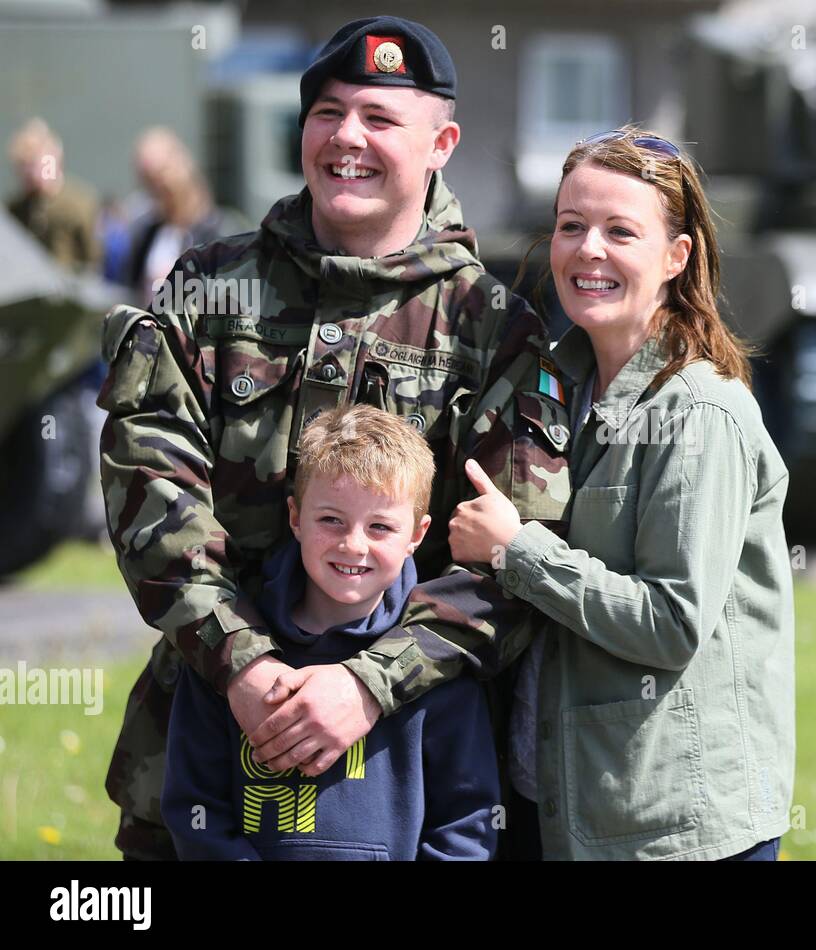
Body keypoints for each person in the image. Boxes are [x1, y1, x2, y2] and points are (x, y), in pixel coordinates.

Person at [99, 15, 569, 860]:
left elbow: (519, 557)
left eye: (381, 119)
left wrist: (369, 685)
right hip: (201, 752)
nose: (347, 138)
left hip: (404, 772)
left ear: (441, 144)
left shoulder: (492, 330)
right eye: (328, 113)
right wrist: (239, 663)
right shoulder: (209, 289)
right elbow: (150, 489)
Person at [449, 127, 796, 860]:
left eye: (620, 231)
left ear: (677, 257)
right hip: (562, 805)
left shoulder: (697, 412)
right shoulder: (555, 387)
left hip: (670, 828)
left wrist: (517, 549)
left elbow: (671, 621)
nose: (589, 250)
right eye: (571, 226)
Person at [162, 406, 499, 860]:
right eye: (331, 520)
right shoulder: (228, 655)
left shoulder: (440, 667)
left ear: (417, 535)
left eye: (380, 526)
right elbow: (195, 807)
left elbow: (467, 823)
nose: (353, 544)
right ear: (295, 518)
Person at [120, 127, 247, 305]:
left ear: (183, 166)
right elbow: (131, 290)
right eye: (148, 181)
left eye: (161, 174)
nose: (157, 187)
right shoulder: (147, 233)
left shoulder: (223, 232)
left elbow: (236, 301)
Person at [6, 118, 102, 271]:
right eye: (24, 167)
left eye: (35, 164)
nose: (31, 173)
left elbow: (94, 257)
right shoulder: (15, 210)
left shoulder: (79, 202)